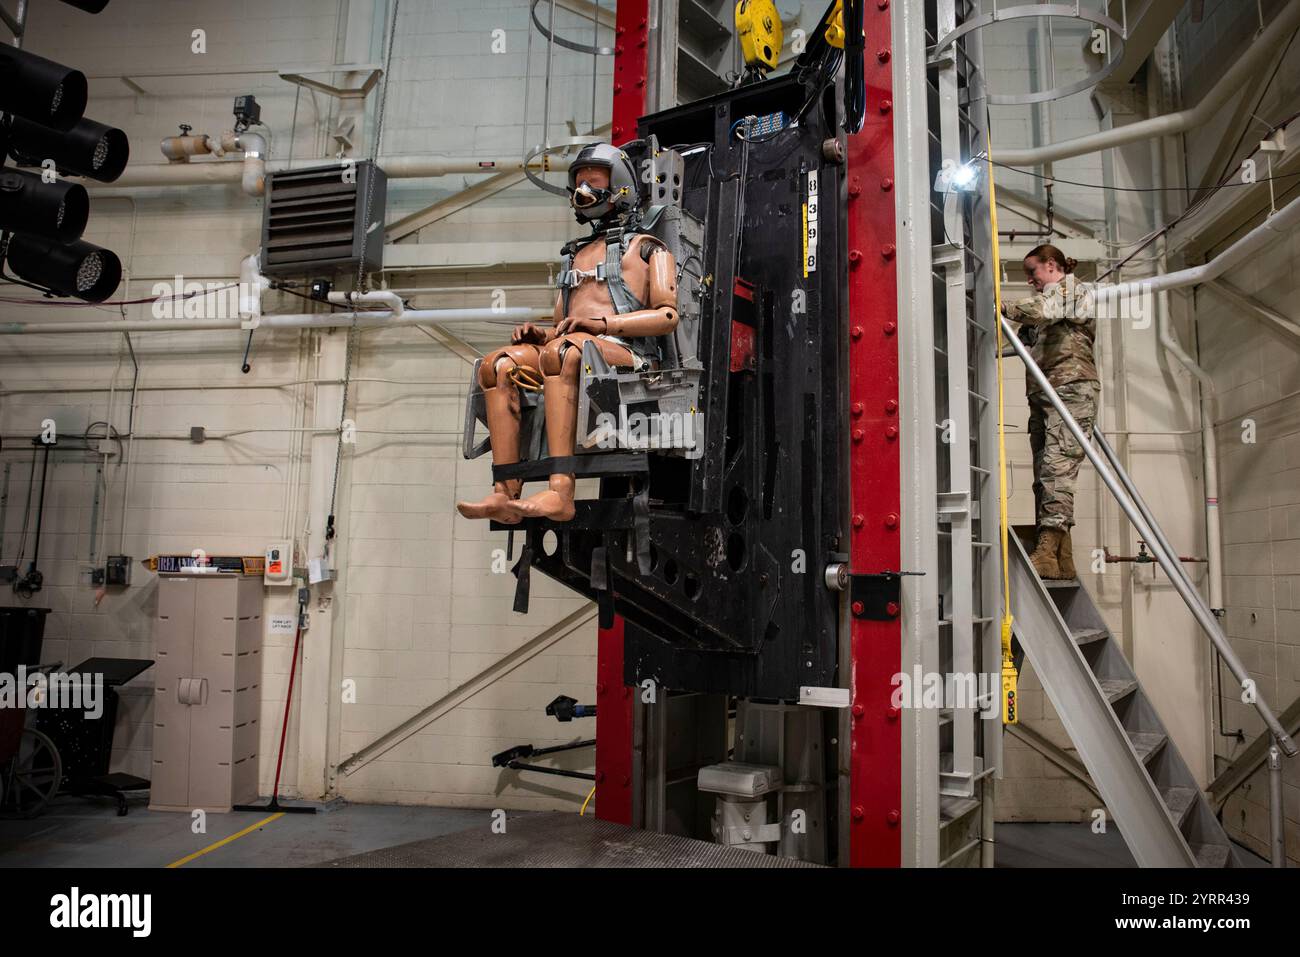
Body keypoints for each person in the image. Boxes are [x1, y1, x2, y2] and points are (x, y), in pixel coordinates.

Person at [455, 142, 679, 524]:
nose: (583, 191)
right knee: (497, 365)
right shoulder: (573, 256)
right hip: (576, 347)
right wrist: (538, 334)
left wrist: (603, 326)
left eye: (593, 181)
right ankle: (505, 492)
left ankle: (561, 491)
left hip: (630, 355)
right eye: (578, 184)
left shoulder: (647, 248)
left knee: (562, 353)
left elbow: (668, 317)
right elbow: (561, 326)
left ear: (621, 184)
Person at [1002, 244, 1098, 580]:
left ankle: (1046, 550)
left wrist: (997, 305)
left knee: (1057, 470)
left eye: (1033, 272)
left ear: (1052, 265)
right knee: (1045, 474)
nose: (1030, 280)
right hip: (1044, 397)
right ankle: (1061, 556)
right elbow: (1014, 340)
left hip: (1071, 391)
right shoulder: (1044, 308)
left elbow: (1041, 310)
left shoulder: (1072, 290)